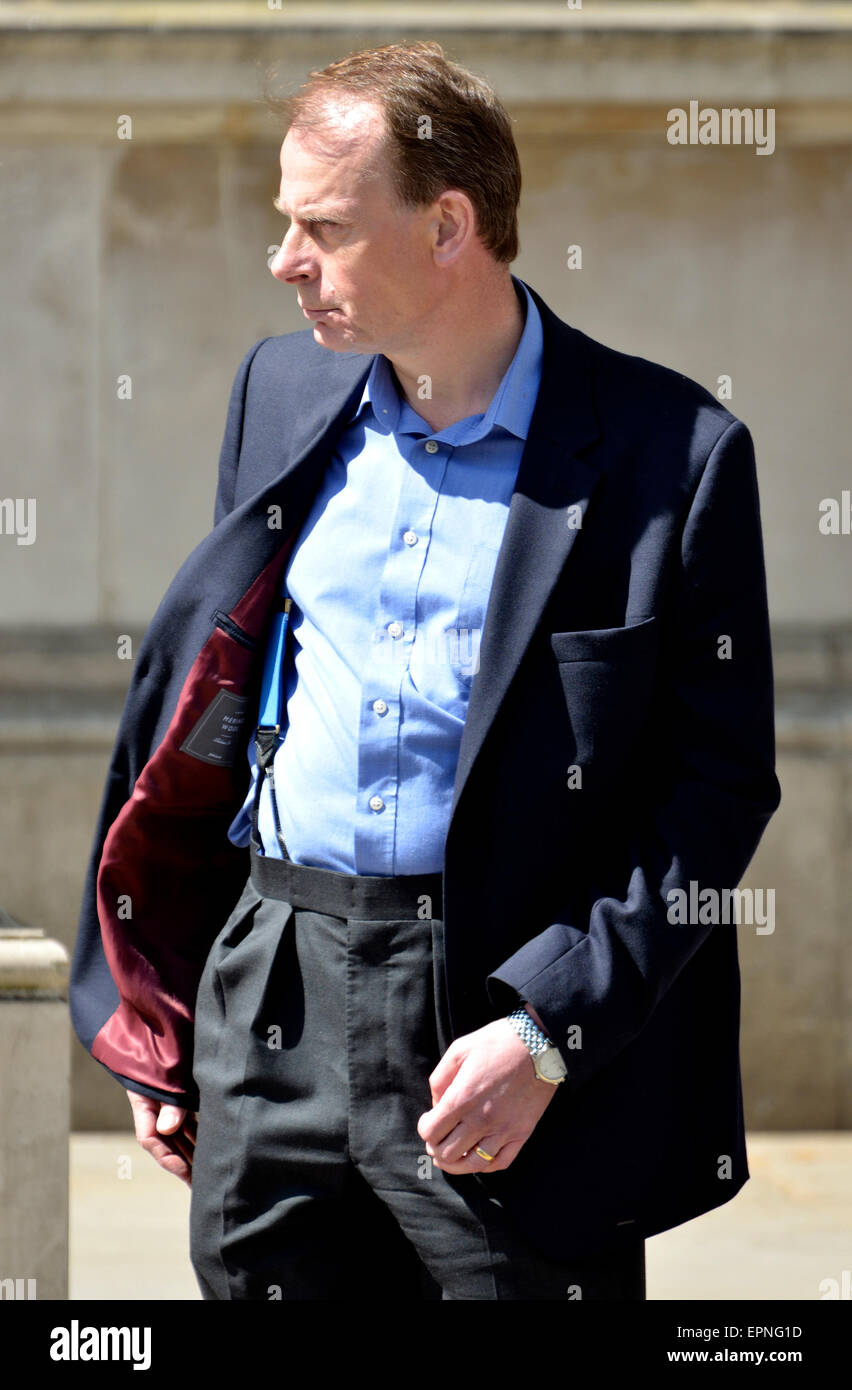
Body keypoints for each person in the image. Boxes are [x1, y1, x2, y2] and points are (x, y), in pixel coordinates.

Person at [70, 40, 781, 1301]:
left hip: (500, 1033)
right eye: (287, 224)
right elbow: (211, 698)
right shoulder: (281, 392)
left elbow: (717, 793)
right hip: (273, 990)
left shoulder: (675, 455)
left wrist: (551, 1033)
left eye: (324, 227)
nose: (285, 261)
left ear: (450, 224)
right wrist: (178, 1009)